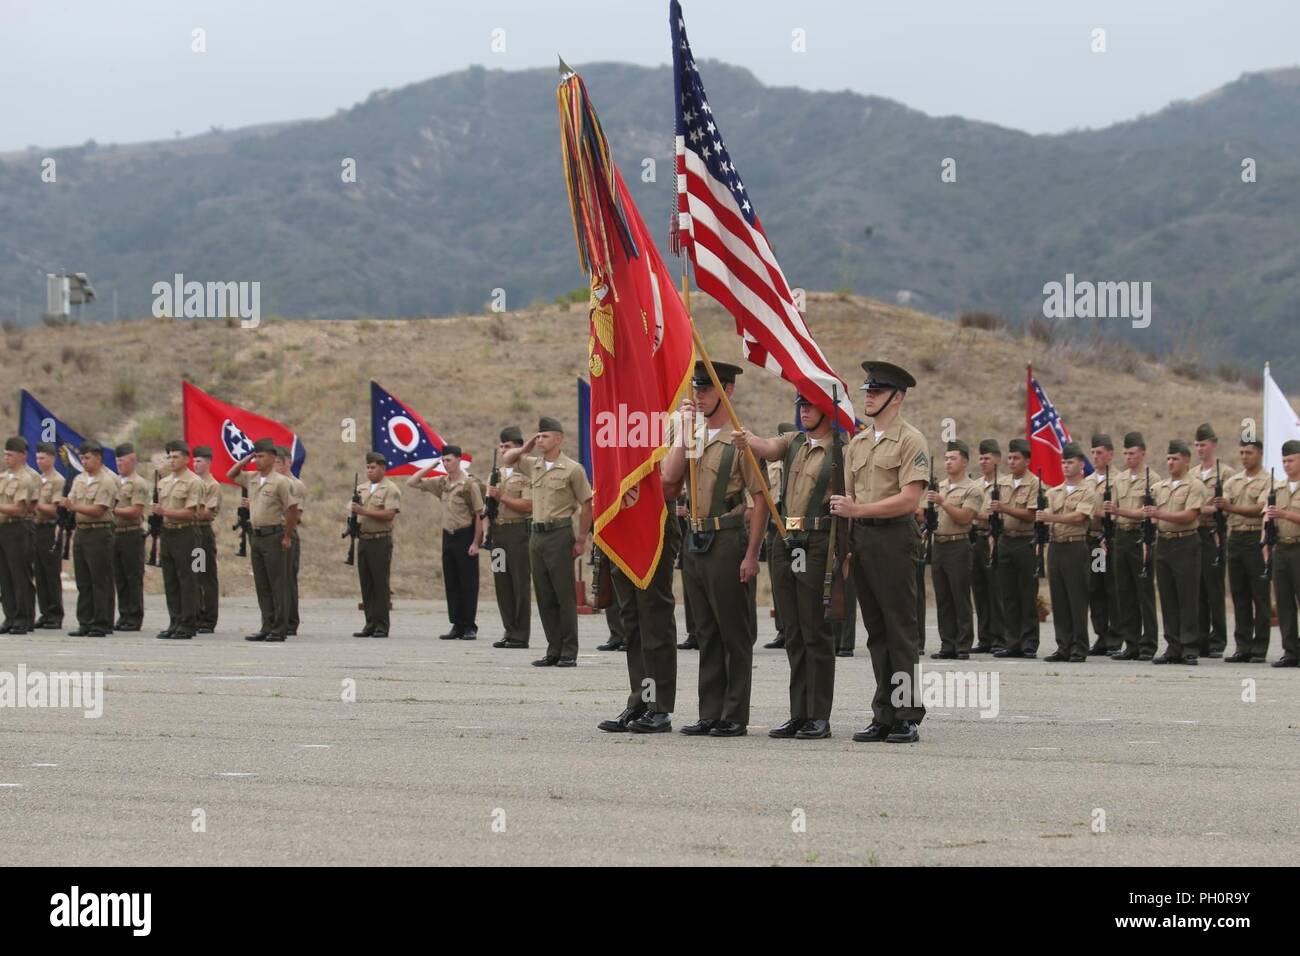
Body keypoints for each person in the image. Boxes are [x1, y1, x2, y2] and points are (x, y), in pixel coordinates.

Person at [661, 362, 767, 736]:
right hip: (695, 538)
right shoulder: (694, 435)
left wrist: (752, 555)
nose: (700, 395)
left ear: (728, 391)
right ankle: (710, 710)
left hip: (727, 538)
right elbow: (670, 478)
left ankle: (734, 713)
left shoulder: (740, 440)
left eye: (707, 389)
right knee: (705, 629)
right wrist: (684, 432)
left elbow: (760, 501)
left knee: (732, 629)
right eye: (697, 389)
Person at [830, 361, 929, 744]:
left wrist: (858, 512)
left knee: (899, 630)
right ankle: (883, 713)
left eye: (876, 391)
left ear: (897, 397)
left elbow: (908, 500)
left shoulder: (911, 440)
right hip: (864, 541)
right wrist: (847, 545)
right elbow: (850, 497)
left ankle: (906, 714)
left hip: (894, 539)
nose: (868, 396)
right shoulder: (857, 443)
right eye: (867, 391)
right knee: (875, 632)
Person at [736, 393, 839, 739]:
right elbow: (765, 447)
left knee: (815, 631)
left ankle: (818, 715)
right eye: (801, 405)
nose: (804, 410)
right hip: (786, 539)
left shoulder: (842, 449)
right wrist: (746, 438)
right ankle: (799, 713)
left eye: (810, 405)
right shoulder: (794, 442)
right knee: (793, 631)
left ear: (827, 408)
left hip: (818, 540)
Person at [500, 419, 593, 667]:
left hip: (559, 534)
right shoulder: (534, 465)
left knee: (564, 595)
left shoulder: (572, 469)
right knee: (544, 595)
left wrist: (582, 538)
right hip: (536, 535)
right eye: (538, 436)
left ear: (559, 439)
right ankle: (553, 648)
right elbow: (508, 459)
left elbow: (586, 503)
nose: (540, 440)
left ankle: (568, 651)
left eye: (545, 436)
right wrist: (525, 447)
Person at [227, 438, 301, 642]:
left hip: (274, 535)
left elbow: (293, 510)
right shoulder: (252, 477)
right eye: (256, 456)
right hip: (256, 536)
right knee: (262, 585)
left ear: (273, 457)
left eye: (261, 456)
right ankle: (267, 625)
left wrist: (287, 535)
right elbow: (231, 474)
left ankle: (280, 628)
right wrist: (246, 458)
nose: (257, 460)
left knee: (278, 585)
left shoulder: (281, 482)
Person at [410, 444, 484, 641]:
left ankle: (469, 625)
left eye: (449, 459)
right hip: (448, 536)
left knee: (468, 582)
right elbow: (413, 482)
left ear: (459, 459)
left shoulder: (469, 485)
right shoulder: (442, 483)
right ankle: (457, 624)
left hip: (465, 535)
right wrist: (431, 464)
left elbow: (479, 515)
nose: (446, 463)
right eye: (443, 460)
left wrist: (476, 542)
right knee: (452, 582)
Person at [1146, 440, 1209, 665]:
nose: (1171, 463)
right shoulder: (1160, 487)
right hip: (1164, 543)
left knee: (1187, 596)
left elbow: (1190, 515)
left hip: (1186, 543)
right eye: (1169, 459)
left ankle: (1190, 646)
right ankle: (1173, 646)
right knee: (1168, 596)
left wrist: (1159, 514)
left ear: (1186, 460)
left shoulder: (1195, 486)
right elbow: (1148, 512)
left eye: (1175, 459)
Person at [1213, 438, 1272, 663]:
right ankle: (1243, 646)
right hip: (1234, 537)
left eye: (1249, 452)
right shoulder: (1234, 481)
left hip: (1255, 538)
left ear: (1259, 454)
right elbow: (1223, 506)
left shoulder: (1268, 480)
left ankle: (1259, 647)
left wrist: (1229, 507)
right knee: (1239, 595)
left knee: (1259, 594)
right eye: (1241, 453)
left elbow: (1260, 509)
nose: (1244, 457)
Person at [1102, 432, 1159, 661]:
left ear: (1143, 453)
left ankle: (1149, 643)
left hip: (1140, 538)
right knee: (1124, 592)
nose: (1128, 457)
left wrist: (1118, 512)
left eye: (1132, 453)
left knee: (1143, 592)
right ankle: (1131, 642)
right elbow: (1112, 509)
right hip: (1121, 536)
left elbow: (1146, 513)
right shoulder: (1119, 480)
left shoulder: (1151, 479)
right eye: (1125, 453)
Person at [1037, 443, 1096, 662]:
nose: (1065, 466)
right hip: (1056, 545)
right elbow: (1046, 515)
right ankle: (1063, 645)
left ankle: (1079, 647)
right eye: (1063, 462)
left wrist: (1050, 518)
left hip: (1075, 545)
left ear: (1081, 465)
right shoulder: (1053, 492)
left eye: (1070, 462)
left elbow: (1080, 517)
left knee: (1076, 598)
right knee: (1059, 598)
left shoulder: (1088, 491)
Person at [924, 440, 983, 659]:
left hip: (959, 544)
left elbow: (965, 517)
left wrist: (942, 502)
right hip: (939, 544)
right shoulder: (940, 487)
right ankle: (947, 643)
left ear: (965, 461)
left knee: (960, 596)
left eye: (953, 458)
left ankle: (963, 644)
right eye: (946, 458)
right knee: (943, 598)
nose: (948, 462)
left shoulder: (972, 489)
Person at [991, 438, 1043, 659]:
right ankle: (1012, 641)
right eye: (1010, 457)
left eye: (1016, 458)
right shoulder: (1002, 483)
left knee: (1026, 594)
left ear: (1027, 460)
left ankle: (1029, 642)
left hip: (1025, 541)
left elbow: (1031, 514)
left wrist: (1004, 507)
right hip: (1006, 540)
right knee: (1008, 594)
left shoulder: (1034, 483)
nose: (1011, 462)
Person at [65, 441, 118, 636]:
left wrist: (74, 507)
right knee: (84, 580)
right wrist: (72, 507)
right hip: (82, 530)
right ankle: (85, 621)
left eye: (87, 458)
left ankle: (101, 622)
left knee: (99, 580)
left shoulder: (106, 480)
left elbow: (98, 509)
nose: (84, 462)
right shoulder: (79, 479)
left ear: (98, 458)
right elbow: (70, 501)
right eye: (82, 458)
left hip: (99, 531)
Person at [487, 426, 533, 650]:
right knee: (501, 582)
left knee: (519, 582)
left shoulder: (526, 474)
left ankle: (520, 634)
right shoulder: (494, 475)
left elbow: (527, 506)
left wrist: (501, 497)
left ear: (518, 448)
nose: (504, 450)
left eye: (508, 447)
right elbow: (488, 509)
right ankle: (509, 629)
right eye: (502, 446)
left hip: (518, 532)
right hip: (498, 533)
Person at [153, 440, 204, 640]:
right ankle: (175, 621)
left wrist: (164, 511)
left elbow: (192, 512)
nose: (171, 461)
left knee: (188, 579)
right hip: (168, 532)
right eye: (169, 457)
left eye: (175, 457)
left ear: (186, 459)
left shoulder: (193, 481)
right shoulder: (164, 482)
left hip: (186, 533)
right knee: (170, 579)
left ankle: (188, 623)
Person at [1192, 423, 1234, 658]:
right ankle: (1200, 637)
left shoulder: (1225, 474)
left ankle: (1217, 639)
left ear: (1214, 445)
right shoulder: (1192, 474)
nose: (1200, 449)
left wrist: (1200, 509)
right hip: (1194, 534)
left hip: (1213, 534)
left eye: (1204, 444)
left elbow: (1224, 508)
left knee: (1214, 588)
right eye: (1197, 444)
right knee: (1197, 589)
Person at [352, 452, 401, 638]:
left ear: (382, 468)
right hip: (364, 539)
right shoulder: (362, 488)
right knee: (366, 583)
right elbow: (353, 512)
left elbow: (389, 514)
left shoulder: (390, 489)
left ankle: (382, 625)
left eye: (373, 467)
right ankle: (369, 623)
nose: (369, 471)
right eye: (368, 467)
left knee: (380, 584)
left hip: (380, 539)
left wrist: (363, 510)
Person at [1263, 439, 1300, 667]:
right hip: (1281, 549)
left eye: (1291, 460)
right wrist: (1265, 543)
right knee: (1284, 602)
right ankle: (1290, 651)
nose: (1287, 464)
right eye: (1284, 460)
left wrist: (1285, 515)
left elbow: (1281, 514)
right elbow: (1267, 517)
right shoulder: (1277, 489)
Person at [762, 422, 798, 650]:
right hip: (775, 526)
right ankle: (782, 631)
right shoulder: (772, 464)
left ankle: (796, 629)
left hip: (794, 525)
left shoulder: (797, 461)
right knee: (778, 583)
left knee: (799, 581)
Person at [1086, 434, 1121, 655]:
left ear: (1110, 454)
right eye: (1093, 453)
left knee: (1112, 588)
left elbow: (1117, 511)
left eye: (1099, 453)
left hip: (1111, 539)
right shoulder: (1087, 482)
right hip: (1092, 539)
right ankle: (1101, 634)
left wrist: (1096, 512)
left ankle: (1116, 636)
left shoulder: (1119, 479)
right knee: (1095, 589)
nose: (1096, 457)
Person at [0, 437, 39, 634]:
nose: (7, 458)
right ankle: (10, 617)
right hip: (3, 529)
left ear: (22, 455)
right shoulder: (4, 477)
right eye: (5, 454)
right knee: (5, 576)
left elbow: (19, 509)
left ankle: (23, 618)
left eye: (11, 454)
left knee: (20, 575)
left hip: (18, 528)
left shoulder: (26, 478)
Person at [110, 442, 149, 632]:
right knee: (119, 577)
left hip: (131, 534)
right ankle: (123, 614)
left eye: (122, 460)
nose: (119, 464)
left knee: (133, 576)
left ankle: (134, 616)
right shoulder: (115, 481)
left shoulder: (138, 483)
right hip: (115, 533)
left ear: (132, 460)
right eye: (117, 460)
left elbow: (135, 510)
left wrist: (112, 510)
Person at [970, 438, 1004, 654]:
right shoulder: (975, 486)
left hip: (995, 539)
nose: (983, 462)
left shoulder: (1003, 485)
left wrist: (973, 514)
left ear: (997, 460)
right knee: (980, 590)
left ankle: (1000, 637)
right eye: (981, 458)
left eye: (987, 458)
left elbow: (992, 515)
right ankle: (984, 638)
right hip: (977, 539)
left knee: (996, 591)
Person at [31, 442, 65, 629]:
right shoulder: (38, 479)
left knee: (51, 573)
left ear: (52, 458)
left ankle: (55, 614)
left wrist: (34, 504)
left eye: (42, 458)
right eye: (37, 458)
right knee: (39, 573)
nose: (39, 461)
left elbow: (54, 509)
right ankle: (45, 612)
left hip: (50, 529)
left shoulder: (57, 480)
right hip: (35, 527)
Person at [275, 446, 306, 636]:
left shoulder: (295, 485)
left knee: (287, 579)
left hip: (287, 531)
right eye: (275, 462)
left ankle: (290, 621)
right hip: (272, 533)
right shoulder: (272, 483)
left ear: (289, 462)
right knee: (277, 580)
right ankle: (279, 618)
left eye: (279, 462)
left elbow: (297, 515)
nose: (276, 465)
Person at [192, 446, 222, 634]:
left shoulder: (212, 485)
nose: (195, 464)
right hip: (192, 532)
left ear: (209, 463)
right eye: (194, 461)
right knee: (194, 574)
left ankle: (208, 617)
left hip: (202, 533)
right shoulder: (193, 483)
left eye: (199, 461)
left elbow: (207, 513)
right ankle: (195, 612)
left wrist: (186, 512)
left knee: (205, 575)